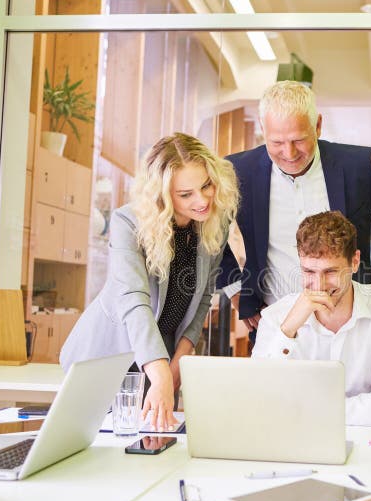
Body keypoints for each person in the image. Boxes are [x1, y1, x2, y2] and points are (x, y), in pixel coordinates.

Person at [60, 133, 239, 431]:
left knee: (152, 450)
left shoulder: (213, 222)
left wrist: (180, 359)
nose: (203, 199)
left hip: (163, 357)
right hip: (109, 353)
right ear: (163, 195)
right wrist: (161, 375)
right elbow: (133, 300)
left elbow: (204, 297)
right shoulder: (127, 223)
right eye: (186, 194)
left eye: (206, 185)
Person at [217, 81, 371, 334]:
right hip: (276, 321)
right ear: (263, 129)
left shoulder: (358, 166)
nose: (289, 153)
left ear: (318, 126)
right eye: (277, 142)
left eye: (299, 140)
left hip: (351, 324)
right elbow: (210, 234)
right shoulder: (237, 172)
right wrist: (236, 290)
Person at [251, 211, 371, 427]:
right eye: (309, 271)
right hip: (297, 444)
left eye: (331, 271)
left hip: (370, 444)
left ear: (355, 261)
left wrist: (305, 410)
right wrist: (288, 330)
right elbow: (260, 400)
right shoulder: (277, 317)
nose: (319, 285)